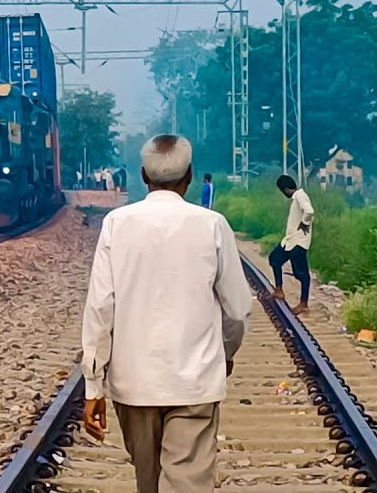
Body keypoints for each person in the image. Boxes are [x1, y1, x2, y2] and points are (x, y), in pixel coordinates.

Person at [81, 134, 253, 493]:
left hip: (133, 385)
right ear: (189, 176)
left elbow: (100, 307)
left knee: (149, 483)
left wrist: (93, 386)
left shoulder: (116, 223)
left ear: (144, 175)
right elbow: (237, 311)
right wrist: (225, 355)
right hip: (194, 384)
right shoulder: (212, 225)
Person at [269, 175, 314, 316]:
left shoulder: (300, 196)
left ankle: (304, 304)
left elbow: (310, 211)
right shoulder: (297, 197)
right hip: (290, 241)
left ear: (285, 189)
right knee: (274, 259)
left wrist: (305, 223)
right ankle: (279, 289)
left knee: (301, 273)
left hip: (299, 242)